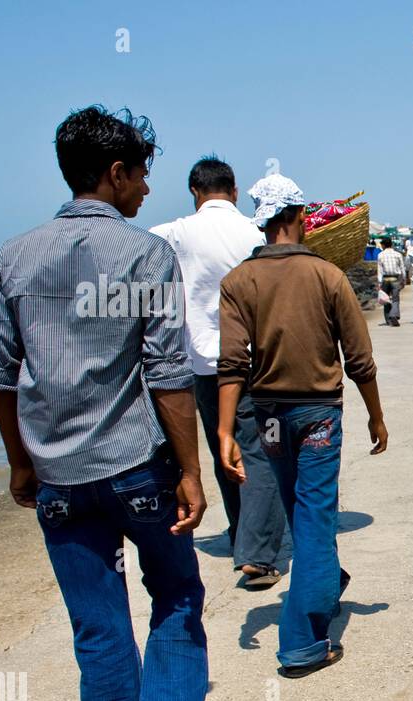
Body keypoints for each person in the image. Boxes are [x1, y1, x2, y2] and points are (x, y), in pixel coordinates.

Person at [0, 106, 216, 701]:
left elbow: (0, 374)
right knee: (175, 593)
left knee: (99, 626)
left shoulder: (14, 257)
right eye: (142, 175)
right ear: (115, 174)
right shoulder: (144, 255)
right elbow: (169, 374)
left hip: (60, 481)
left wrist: (21, 467)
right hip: (135, 467)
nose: (147, 189)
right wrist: (190, 471)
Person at [218, 173, 389, 677]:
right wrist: (376, 414)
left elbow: (231, 364)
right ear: (297, 218)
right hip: (317, 414)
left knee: (300, 511)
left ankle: (326, 580)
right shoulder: (328, 276)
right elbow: (360, 359)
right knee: (315, 515)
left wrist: (225, 431)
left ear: (263, 222)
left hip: (267, 416)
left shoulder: (238, 281)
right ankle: (301, 644)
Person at [150, 156, 288, 589]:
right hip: (257, 360)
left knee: (222, 449)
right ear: (233, 190)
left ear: (195, 192)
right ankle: (258, 553)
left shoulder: (173, 233)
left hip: (201, 365)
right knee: (261, 450)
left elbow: (131, 247)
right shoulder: (254, 232)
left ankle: (240, 537)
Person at [376, 237, 406, 327]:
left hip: (385, 279)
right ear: (391, 244)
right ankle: (394, 315)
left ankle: (388, 319)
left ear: (383, 245)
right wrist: (404, 279)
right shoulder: (398, 254)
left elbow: (379, 270)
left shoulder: (380, 255)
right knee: (395, 299)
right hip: (395, 279)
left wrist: (379, 283)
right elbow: (402, 268)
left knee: (386, 299)